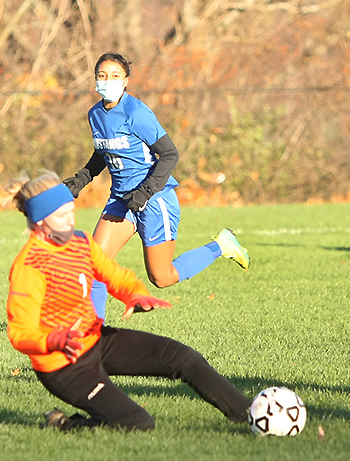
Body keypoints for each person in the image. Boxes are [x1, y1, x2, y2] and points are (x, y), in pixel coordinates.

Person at [6, 171, 252, 432]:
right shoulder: (29, 266)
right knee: (138, 423)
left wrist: (134, 293)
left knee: (184, 359)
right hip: (64, 367)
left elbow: (114, 276)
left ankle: (250, 415)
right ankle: (64, 424)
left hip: (96, 340)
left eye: (71, 211)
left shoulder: (80, 242)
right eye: (61, 215)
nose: (70, 220)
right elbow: (20, 333)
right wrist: (53, 340)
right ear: (41, 221)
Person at [63, 52, 249, 319]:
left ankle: (221, 245)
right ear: (95, 80)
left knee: (162, 278)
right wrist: (83, 178)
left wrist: (146, 191)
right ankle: (93, 337)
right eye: (102, 76)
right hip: (121, 199)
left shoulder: (136, 113)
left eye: (115, 76)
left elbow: (170, 154)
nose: (108, 81)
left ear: (126, 81)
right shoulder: (95, 114)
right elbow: (104, 151)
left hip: (155, 199)